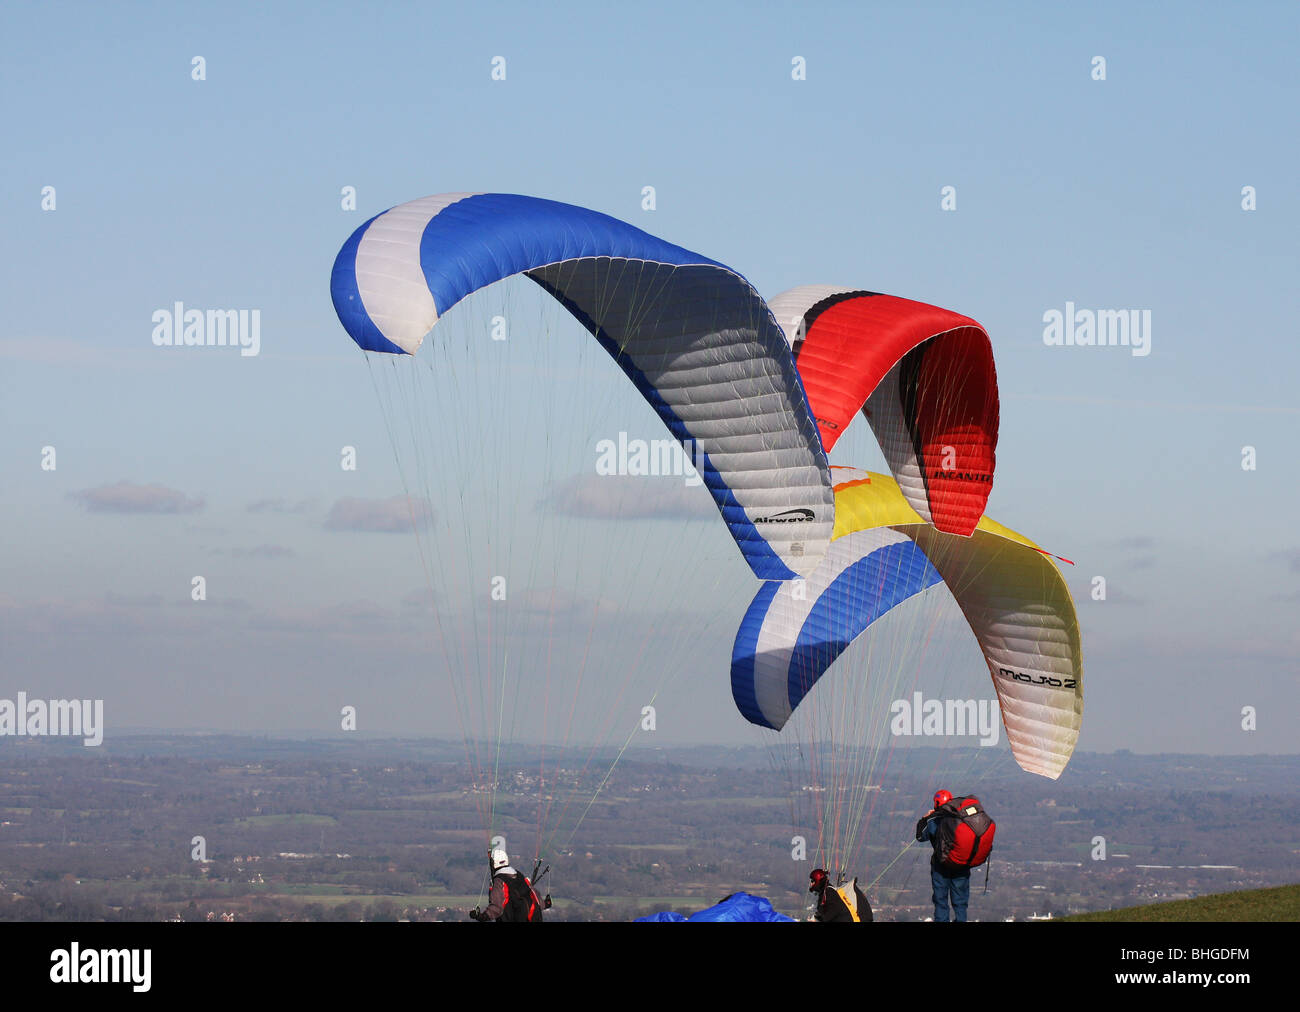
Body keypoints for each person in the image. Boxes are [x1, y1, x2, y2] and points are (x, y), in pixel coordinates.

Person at [916, 789, 970, 923]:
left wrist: (924, 819)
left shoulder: (933, 820)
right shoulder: (961, 818)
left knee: (941, 901)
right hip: (961, 865)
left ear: (936, 803)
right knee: (960, 902)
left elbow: (920, 836)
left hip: (941, 866)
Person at [469, 848, 545, 922]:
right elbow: (536, 898)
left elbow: (497, 907)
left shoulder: (499, 881)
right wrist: (546, 903)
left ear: (493, 863)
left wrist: (481, 916)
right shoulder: (520, 876)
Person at [808, 868, 873, 922]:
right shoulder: (826, 892)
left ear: (818, 880)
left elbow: (831, 912)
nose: (811, 884)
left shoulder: (829, 892)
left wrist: (819, 918)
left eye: (812, 881)